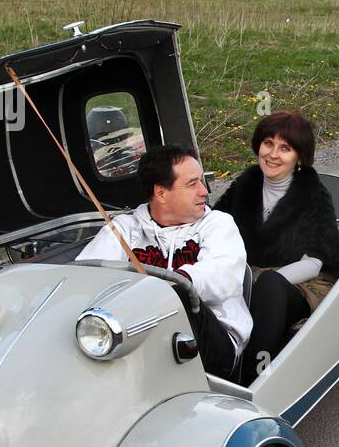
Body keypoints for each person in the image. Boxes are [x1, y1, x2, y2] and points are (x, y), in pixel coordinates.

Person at [77, 145, 251, 378]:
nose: (204, 191)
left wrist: (175, 283)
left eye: (201, 181)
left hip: (214, 342)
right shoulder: (122, 230)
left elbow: (223, 275)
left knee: (180, 295)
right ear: (161, 193)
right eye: (192, 184)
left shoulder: (218, 224)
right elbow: (85, 280)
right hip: (139, 338)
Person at [214, 112, 339, 386]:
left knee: (270, 285)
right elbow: (215, 227)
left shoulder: (314, 194)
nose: (273, 154)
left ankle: (253, 378)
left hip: (302, 282)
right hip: (248, 273)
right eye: (268, 143)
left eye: (285, 148)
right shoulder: (243, 186)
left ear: (299, 157)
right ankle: (214, 368)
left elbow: (316, 260)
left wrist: (261, 279)